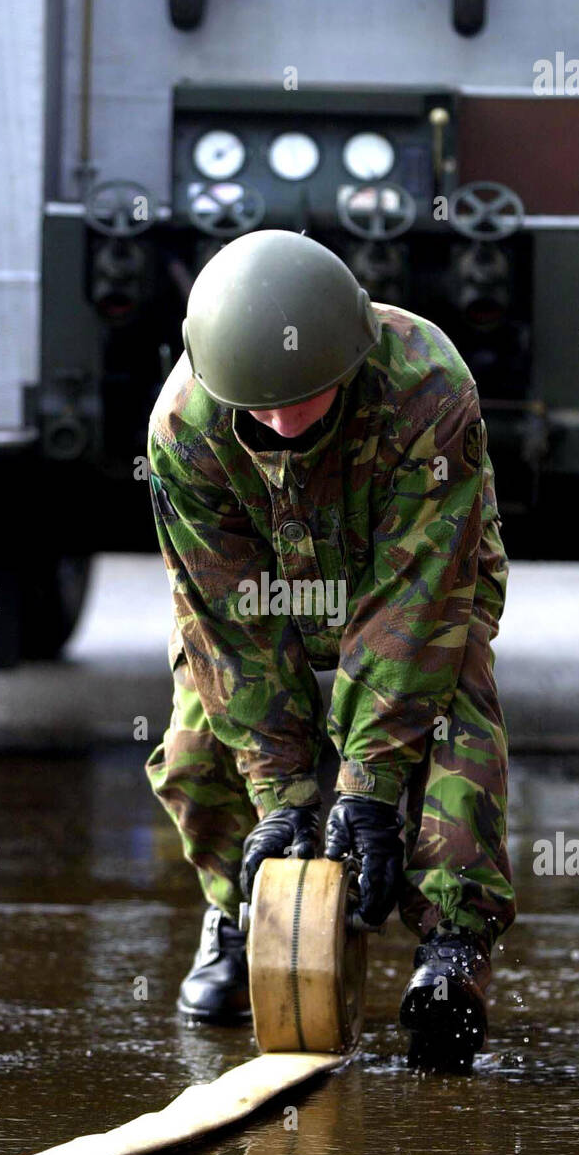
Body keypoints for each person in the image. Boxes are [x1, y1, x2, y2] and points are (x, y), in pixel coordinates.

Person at [146, 229, 513, 1067]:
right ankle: (241, 917)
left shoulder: (426, 385)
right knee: (200, 748)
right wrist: (283, 799)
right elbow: (226, 620)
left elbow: (417, 600)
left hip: (413, 585)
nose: (277, 424)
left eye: (300, 399)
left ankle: (451, 952)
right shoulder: (185, 427)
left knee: (453, 727)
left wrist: (368, 791)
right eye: (257, 408)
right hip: (264, 593)